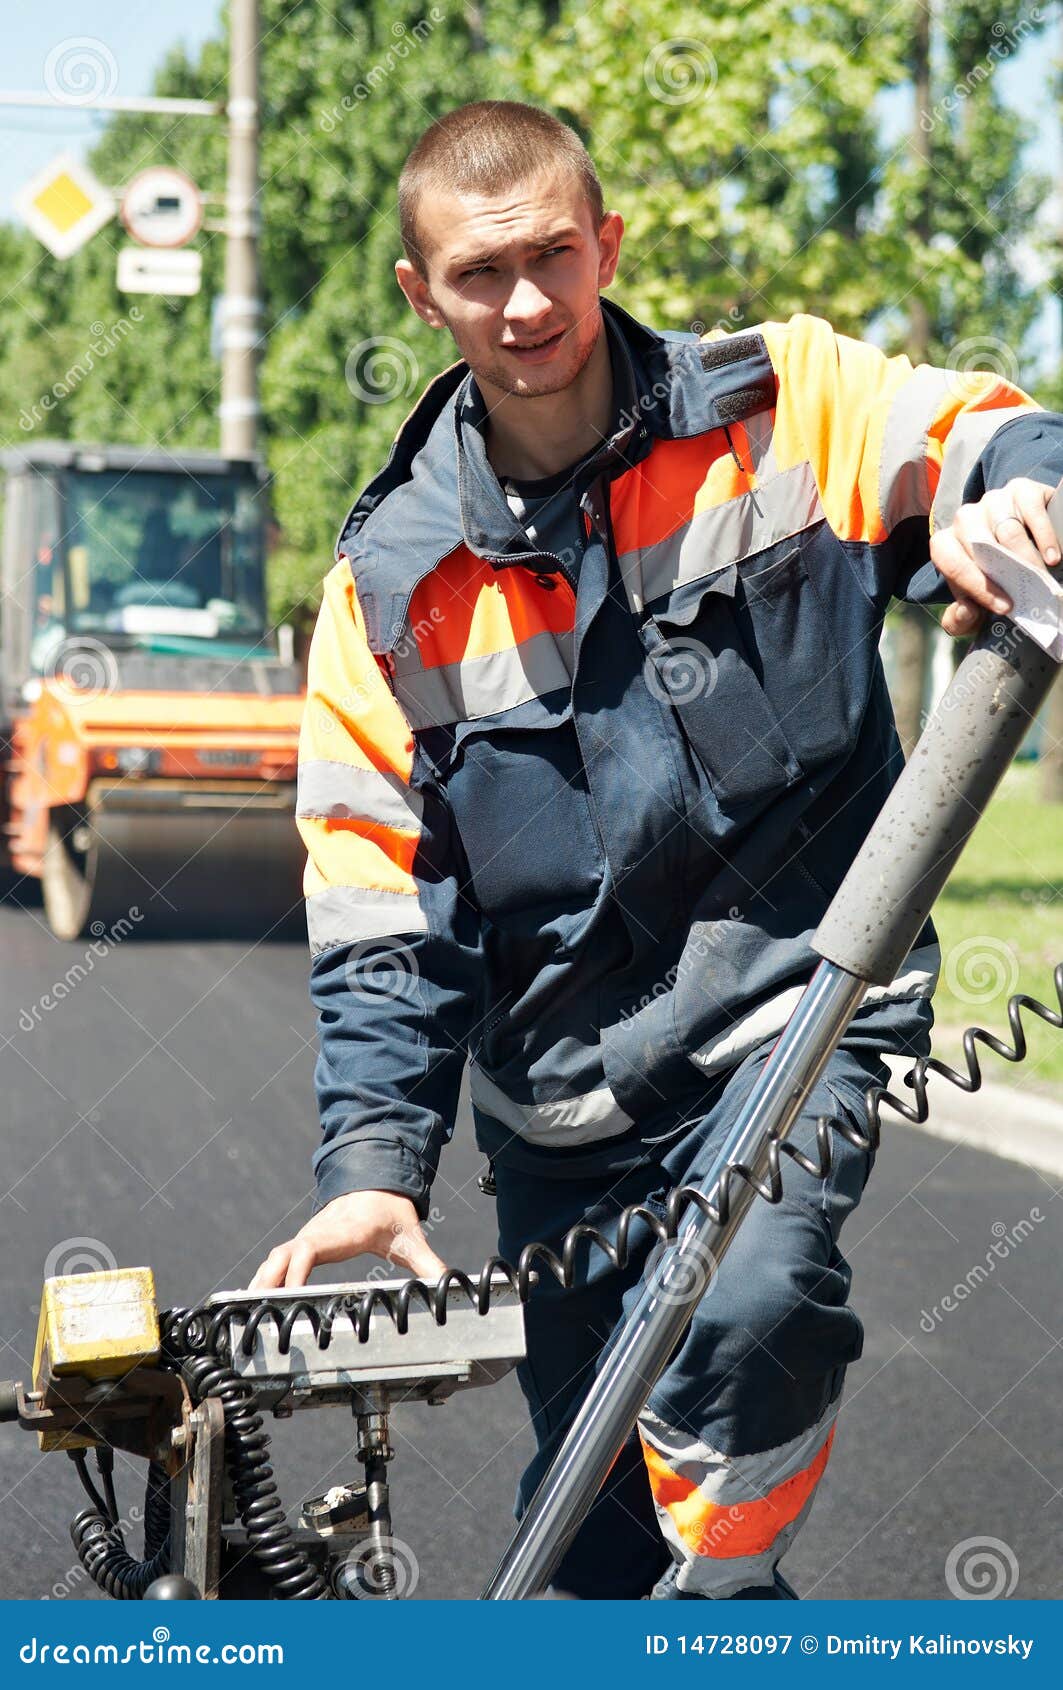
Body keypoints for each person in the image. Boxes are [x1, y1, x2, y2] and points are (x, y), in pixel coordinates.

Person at [251, 101, 1063, 1598]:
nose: (528, 303)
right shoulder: (384, 596)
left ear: (606, 242)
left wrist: (1022, 485)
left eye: (555, 254)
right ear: (421, 296)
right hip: (562, 1106)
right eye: (481, 274)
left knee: (745, 1301)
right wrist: (377, 1163)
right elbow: (378, 906)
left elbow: (966, 430)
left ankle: (725, 1606)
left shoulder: (783, 400)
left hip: (789, 1016)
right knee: (588, 1525)